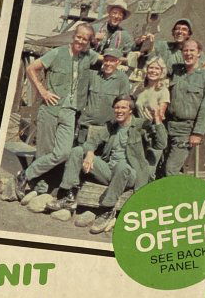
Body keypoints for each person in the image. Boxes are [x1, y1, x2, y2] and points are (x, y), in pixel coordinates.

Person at [51, 94, 166, 235]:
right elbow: (91, 142)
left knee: (121, 166)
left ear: (130, 110)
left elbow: (161, 144)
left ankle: (107, 210)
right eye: (116, 107)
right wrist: (90, 153)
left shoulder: (141, 125)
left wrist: (157, 119)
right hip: (109, 171)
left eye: (123, 107)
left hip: (130, 173)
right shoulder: (112, 126)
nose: (119, 111)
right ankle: (69, 196)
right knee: (77, 151)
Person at [15, 23, 95, 195]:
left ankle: (25, 175)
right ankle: (38, 187)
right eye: (79, 37)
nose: (81, 41)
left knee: (63, 152)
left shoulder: (87, 57)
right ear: (73, 36)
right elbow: (31, 68)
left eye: (85, 39)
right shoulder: (57, 53)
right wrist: (42, 91)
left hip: (70, 111)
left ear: (89, 42)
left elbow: (106, 59)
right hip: (50, 108)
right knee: (44, 150)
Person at [162, 38, 205, 177]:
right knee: (164, 167)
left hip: (187, 129)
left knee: (171, 169)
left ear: (199, 53)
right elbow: (155, 67)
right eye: (185, 50)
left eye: (192, 50)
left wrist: (198, 133)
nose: (188, 53)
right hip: (168, 126)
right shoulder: (176, 70)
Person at [78, 48, 132, 146]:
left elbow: (124, 104)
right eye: (106, 60)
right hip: (86, 125)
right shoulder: (93, 75)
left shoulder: (122, 79)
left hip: (106, 129)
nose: (108, 63)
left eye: (112, 61)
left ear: (118, 62)